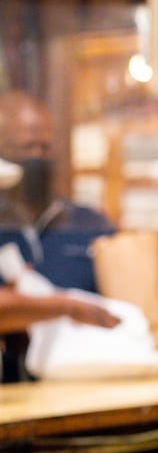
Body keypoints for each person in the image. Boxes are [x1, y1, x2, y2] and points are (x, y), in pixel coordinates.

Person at [0, 89, 118, 379]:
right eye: (26, 148)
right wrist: (66, 307)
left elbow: (126, 305)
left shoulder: (88, 224)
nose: (38, 159)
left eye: (45, 147)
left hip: (86, 384)